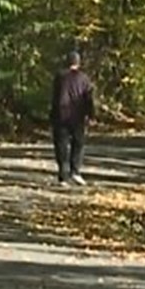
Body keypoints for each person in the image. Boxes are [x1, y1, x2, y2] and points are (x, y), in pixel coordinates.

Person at [50, 48, 95, 187]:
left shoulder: (60, 77)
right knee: (78, 144)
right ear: (78, 63)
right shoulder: (84, 78)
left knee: (61, 145)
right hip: (77, 117)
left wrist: (51, 115)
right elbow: (88, 98)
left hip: (60, 115)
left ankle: (63, 175)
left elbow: (54, 97)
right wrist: (91, 114)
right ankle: (75, 171)